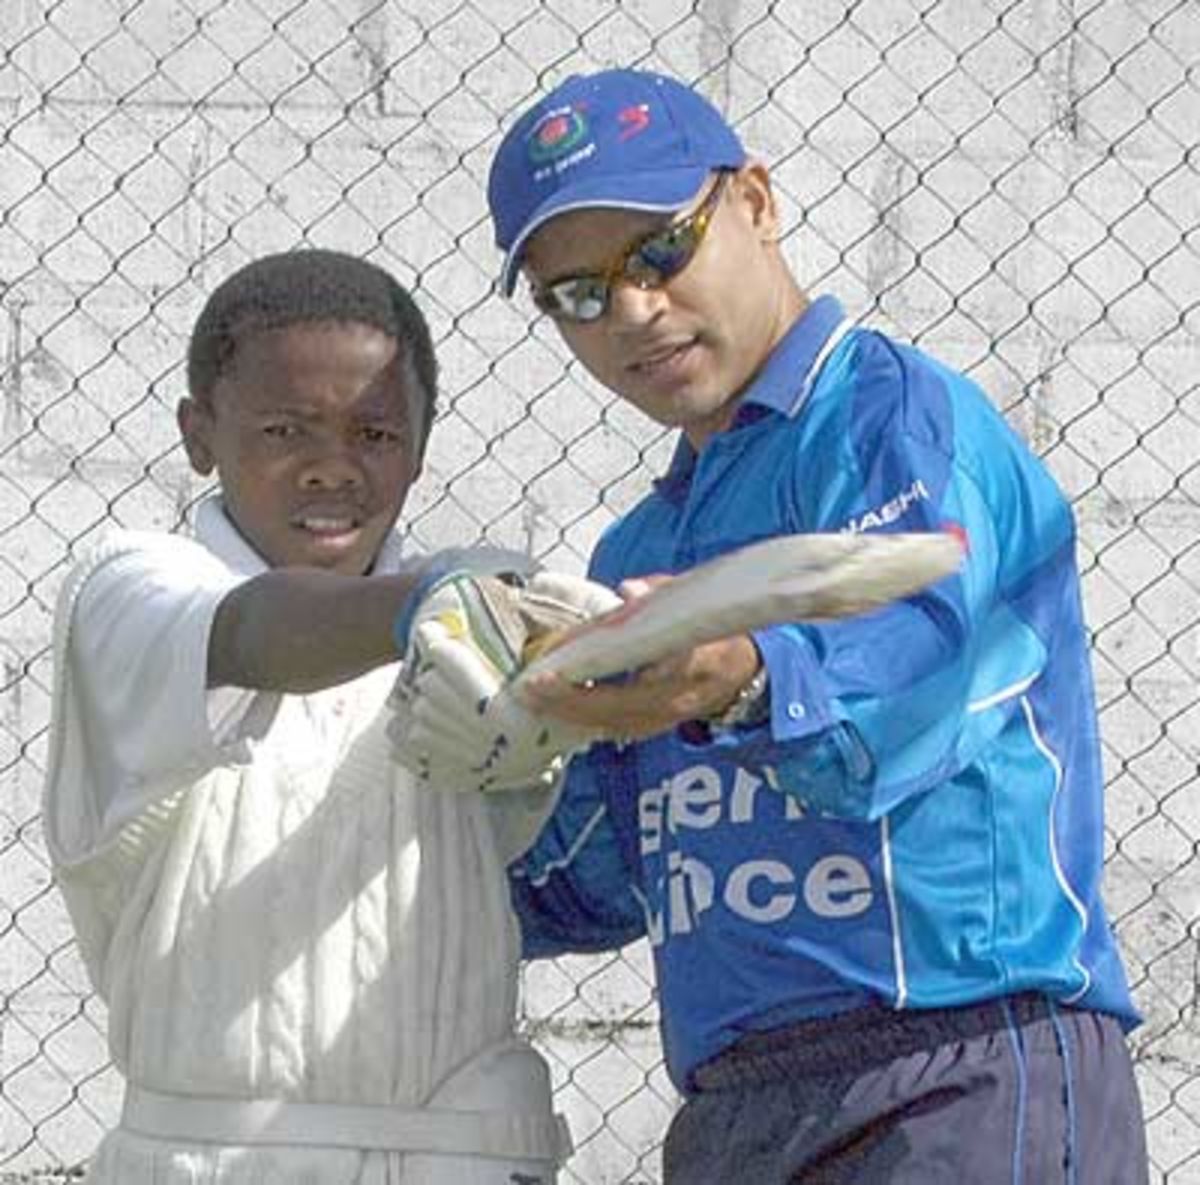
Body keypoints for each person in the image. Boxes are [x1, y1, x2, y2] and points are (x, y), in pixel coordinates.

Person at [391, 70, 1150, 1183]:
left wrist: (741, 677)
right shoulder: (638, 550)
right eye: (579, 296)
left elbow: (912, 685)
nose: (633, 311)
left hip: (958, 1067)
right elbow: (612, 871)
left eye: (659, 250)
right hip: (739, 1104)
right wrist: (472, 793)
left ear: (756, 201)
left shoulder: (891, 417)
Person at [40, 248, 613, 1184]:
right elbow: (258, 630)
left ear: (420, 446)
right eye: (284, 430)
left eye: (375, 434)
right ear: (198, 434)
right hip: (215, 1159)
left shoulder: (480, 622)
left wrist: (610, 663)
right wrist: (432, 603)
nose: (331, 468)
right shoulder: (135, 589)